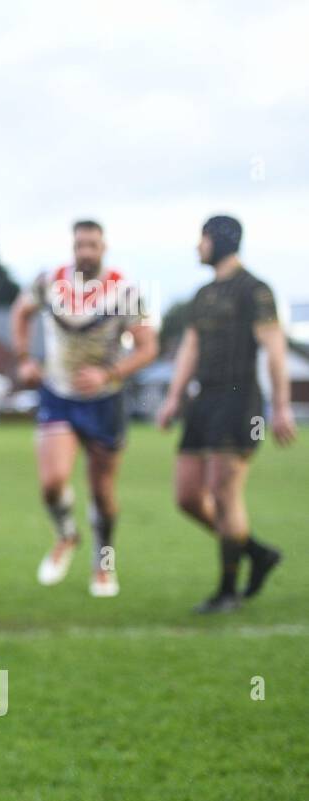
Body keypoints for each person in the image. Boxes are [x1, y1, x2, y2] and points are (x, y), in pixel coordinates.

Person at [11, 220, 158, 597]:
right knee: (51, 483)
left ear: (104, 246)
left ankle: (103, 565)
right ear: (73, 246)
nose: (85, 252)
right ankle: (66, 536)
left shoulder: (124, 291)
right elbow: (20, 312)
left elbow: (148, 348)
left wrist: (109, 373)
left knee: (102, 492)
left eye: (92, 244)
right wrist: (25, 358)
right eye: (80, 244)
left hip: (105, 401)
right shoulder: (50, 281)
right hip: (58, 393)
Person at [157, 215, 295, 613]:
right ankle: (256, 552)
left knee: (224, 493)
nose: (197, 247)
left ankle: (228, 591)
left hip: (240, 402)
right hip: (204, 402)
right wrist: (173, 397)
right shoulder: (202, 295)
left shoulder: (255, 290)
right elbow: (190, 349)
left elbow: (274, 349)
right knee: (186, 495)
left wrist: (281, 406)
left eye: (202, 239)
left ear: (220, 240)